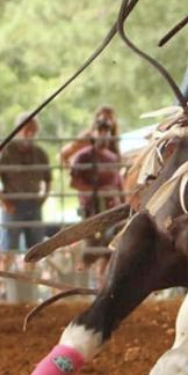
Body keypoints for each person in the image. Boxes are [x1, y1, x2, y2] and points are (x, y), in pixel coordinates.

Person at [60, 108, 124, 269]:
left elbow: (118, 182)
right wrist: (96, 191)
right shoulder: (83, 156)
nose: (103, 134)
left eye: (106, 131)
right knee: (92, 248)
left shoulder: (113, 157)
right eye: (100, 131)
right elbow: (73, 182)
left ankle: (102, 276)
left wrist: (123, 201)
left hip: (112, 209)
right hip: (91, 209)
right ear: (93, 133)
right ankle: (84, 272)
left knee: (111, 246)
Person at [0, 114, 52, 254]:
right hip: (12, 204)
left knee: (36, 250)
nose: (30, 134)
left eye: (33, 131)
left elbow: (48, 179)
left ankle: (31, 269)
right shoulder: (6, 151)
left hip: (33, 203)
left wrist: (43, 198)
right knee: (8, 250)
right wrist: (2, 200)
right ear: (18, 131)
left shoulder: (40, 153)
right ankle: (7, 269)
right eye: (27, 130)